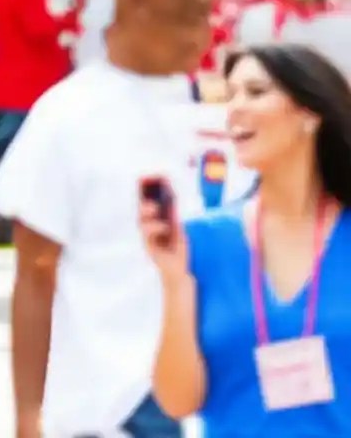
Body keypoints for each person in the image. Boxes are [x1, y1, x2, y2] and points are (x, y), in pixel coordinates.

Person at [0, 0, 215, 438]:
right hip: (112, 397)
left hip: (213, 389)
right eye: (185, 15)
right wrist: (28, 414)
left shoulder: (223, 112)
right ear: (134, 9)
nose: (202, 33)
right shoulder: (69, 115)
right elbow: (35, 271)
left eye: (205, 14)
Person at [144, 44, 351, 436]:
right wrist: (174, 281)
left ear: (310, 114)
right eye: (230, 95)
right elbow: (178, 402)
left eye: (256, 92)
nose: (235, 108)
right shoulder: (199, 240)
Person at [0, 0, 82, 244]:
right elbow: (38, 30)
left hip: (8, 84)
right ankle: (12, 221)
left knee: (1, 154)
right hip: (28, 87)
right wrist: (71, 18)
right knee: (23, 156)